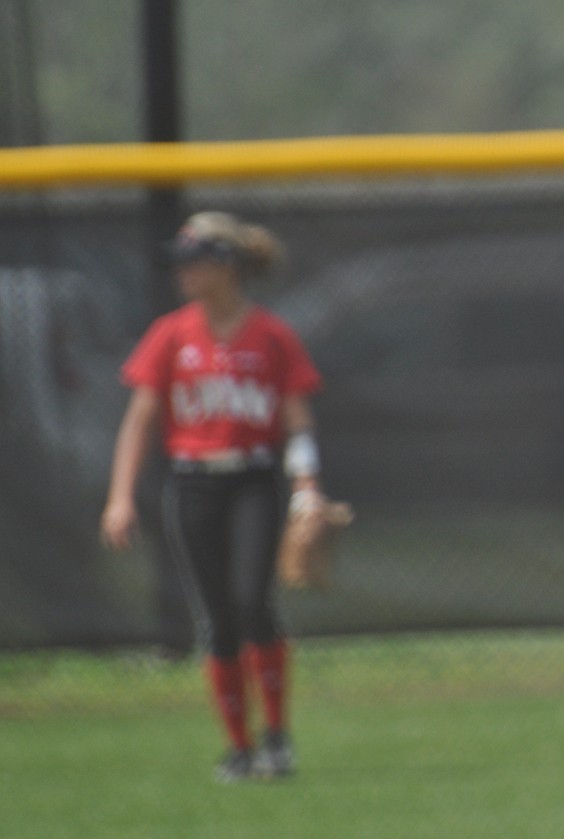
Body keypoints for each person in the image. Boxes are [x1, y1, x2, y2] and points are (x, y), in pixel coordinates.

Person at [100, 211, 324, 783]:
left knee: (253, 602)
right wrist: (120, 497)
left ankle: (276, 737)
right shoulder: (171, 335)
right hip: (193, 482)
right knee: (218, 619)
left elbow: (297, 420)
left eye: (194, 261)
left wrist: (306, 486)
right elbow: (139, 421)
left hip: (252, 480)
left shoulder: (271, 334)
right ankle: (238, 746)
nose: (184, 274)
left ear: (225, 265)